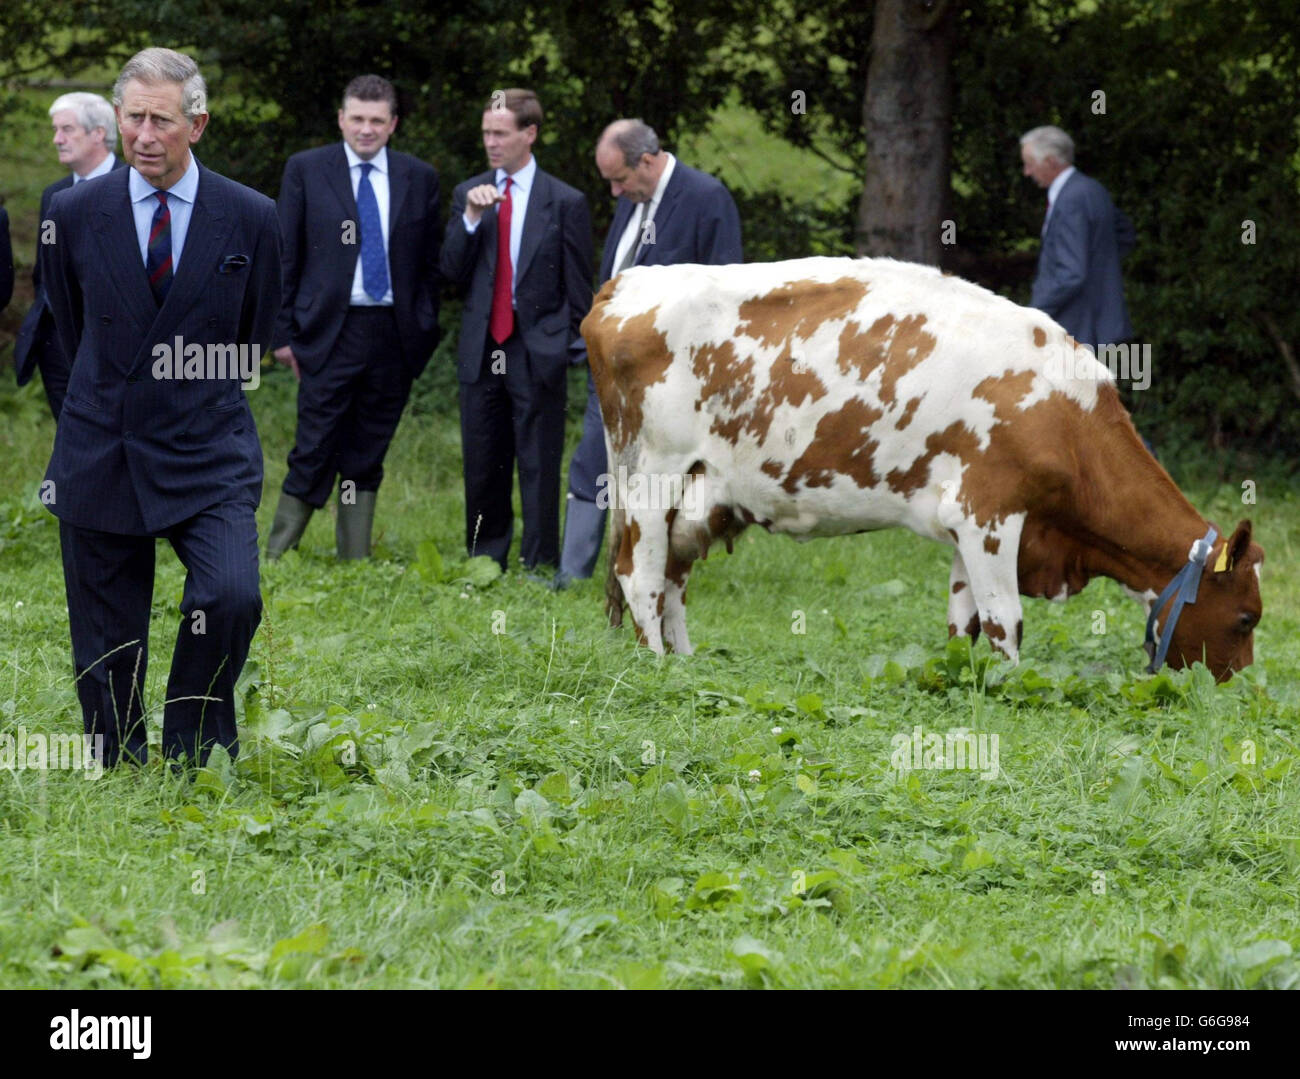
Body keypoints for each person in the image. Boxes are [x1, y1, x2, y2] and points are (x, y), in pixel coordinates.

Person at [40, 48, 281, 767]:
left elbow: (255, 334)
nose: (145, 134)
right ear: (117, 117)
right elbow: (70, 319)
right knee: (107, 630)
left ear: (197, 125)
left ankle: (195, 743)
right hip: (100, 443)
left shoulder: (251, 217)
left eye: (162, 120)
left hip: (207, 443)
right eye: (133, 117)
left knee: (231, 594)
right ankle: (116, 755)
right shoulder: (75, 213)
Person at [555, 118, 742, 588]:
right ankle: (571, 574)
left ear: (647, 160)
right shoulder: (634, 199)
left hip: (670, 375)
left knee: (656, 472)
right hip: (613, 365)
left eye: (620, 179)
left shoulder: (705, 198)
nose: (615, 193)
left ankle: (652, 567)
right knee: (591, 461)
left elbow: (728, 291)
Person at [266, 74, 442, 560]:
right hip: (329, 331)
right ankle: (277, 553)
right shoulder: (307, 169)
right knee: (315, 443)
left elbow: (430, 264)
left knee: (369, 445)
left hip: (393, 332)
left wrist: (422, 327)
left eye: (377, 121)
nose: (366, 129)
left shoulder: (418, 177)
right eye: (357, 119)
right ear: (342, 119)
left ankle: (354, 557)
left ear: (393, 125)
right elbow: (285, 255)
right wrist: (281, 333)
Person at [441, 89, 593, 572]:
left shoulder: (565, 201)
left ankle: (540, 560)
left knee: (539, 461)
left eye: (500, 133)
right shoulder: (470, 193)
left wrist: (567, 347)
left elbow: (578, 287)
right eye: (486, 132)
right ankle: (485, 556)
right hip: (482, 347)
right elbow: (449, 275)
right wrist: (470, 218)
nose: (491, 142)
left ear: (529, 134)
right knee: (484, 458)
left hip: (536, 349)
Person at [15, 93, 125, 418]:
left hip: (113, 345)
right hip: (57, 346)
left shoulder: (135, 188)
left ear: (98, 133)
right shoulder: (54, 195)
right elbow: (43, 269)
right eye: (55, 129)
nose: (56, 139)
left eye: (67, 129)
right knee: (69, 441)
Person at [1020, 125, 1134, 351]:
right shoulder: (1093, 189)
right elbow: (1125, 235)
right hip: (1099, 323)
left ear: (1050, 161)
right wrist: (1101, 272)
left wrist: (1032, 313)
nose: (1027, 172)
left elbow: (1071, 274)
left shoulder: (1070, 200)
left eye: (1030, 164)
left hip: (1075, 327)